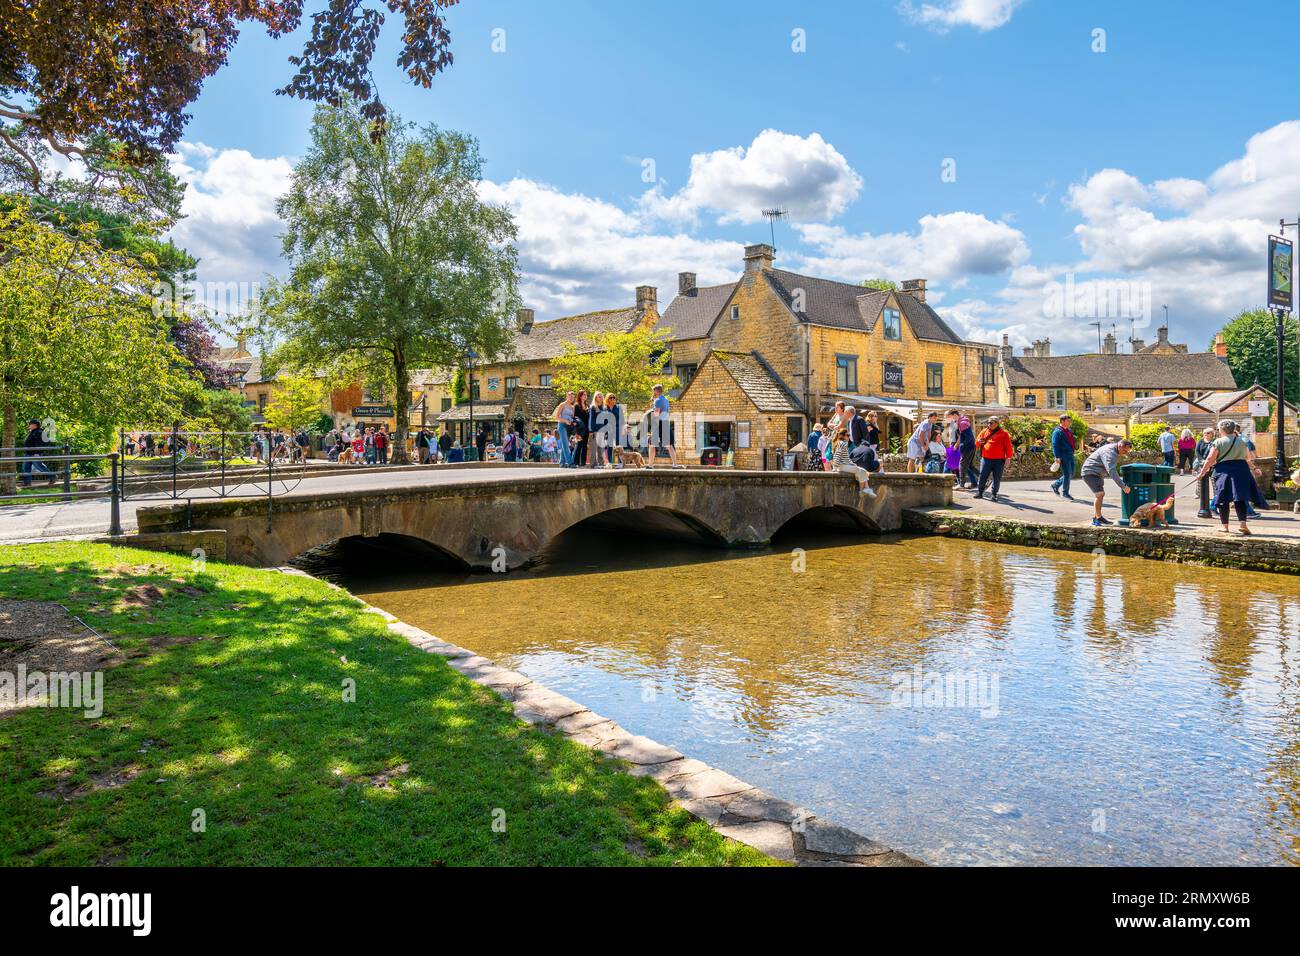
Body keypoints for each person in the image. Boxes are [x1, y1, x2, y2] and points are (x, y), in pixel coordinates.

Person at [1196, 420, 1261, 535]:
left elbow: (1210, 459)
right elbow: (1248, 457)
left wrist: (1202, 473)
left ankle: (1225, 527)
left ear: (1222, 429)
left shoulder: (1218, 442)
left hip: (1224, 471)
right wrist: (1254, 468)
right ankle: (1243, 525)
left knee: (1223, 498)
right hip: (1241, 470)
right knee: (1239, 498)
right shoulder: (1242, 441)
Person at [1080, 438, 1133, 527]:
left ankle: (1097, 517)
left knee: (1100, 495)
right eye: (1125, 451)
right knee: (1100, 494)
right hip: (1090, 473)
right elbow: (1111, 471)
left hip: (1096, 473)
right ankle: (1097, 519)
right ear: (1120, 446)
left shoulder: (1114, 450)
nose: (1125, 453)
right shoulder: (1110, 452)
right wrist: (1123, 486)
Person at [973, 416, 1013, 500]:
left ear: (997, 423)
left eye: (991, 423)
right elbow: (976, 443)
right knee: (982, 476)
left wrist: (1008, 458)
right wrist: (979, 442)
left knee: (996, 478)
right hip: (986, 458)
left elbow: (1008, 446)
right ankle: (980, 492)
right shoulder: (984, 431)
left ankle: (994, 494)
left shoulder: (1004, 433)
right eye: (988, 422)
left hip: (999, 460)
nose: (988, 424)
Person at [830, 427, 876, 497]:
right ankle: (864, 490)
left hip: (843, 465)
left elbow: (845, 458)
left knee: (863, 470)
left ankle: (865, 489)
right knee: (861, 471)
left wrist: (852, 464)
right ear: (843, 436)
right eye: (848, 435)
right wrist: (834, 467)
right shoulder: (843, 443)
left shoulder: (841, 443)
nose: (849, 437)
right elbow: (837, 455)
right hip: (842, 466)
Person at [648, 383, 681, 468]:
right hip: (666, 422)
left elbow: (656, 413)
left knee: (652, 445)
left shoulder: (657, 400)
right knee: (669, 445)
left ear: (656, 391)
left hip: (659, 423)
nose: (653, 392)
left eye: (653, 390)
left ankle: (650, 465)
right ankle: (675, 464)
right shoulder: (666, 400)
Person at [1049, 414, 1078, 500]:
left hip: (1070, 454)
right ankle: (1065, 493)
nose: (1070, 422)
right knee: (1067, 474)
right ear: (1062, 421)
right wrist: (1057, 457)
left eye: (1070, 421)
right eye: (1068, 421)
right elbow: (1055, 445)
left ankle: (1055, 485)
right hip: (1062, 455)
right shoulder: (1057, 432)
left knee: (1071, 473)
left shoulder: (1069, 430)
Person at [19, 418, 54, 486]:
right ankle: (27, 482)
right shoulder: (33, 431)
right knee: (26, 467)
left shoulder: (38, 432)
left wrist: (37, 453)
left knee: (39, 466)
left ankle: (52, 477)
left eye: (30, 424)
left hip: (34, 454)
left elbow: (40, 443)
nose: (29, 425)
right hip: (28, 453)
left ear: (35, 425)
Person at [554, 391, 577, 468]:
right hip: (562, 425)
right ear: (567, 396)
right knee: (566, 444)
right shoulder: (562, 404)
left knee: (565, 444)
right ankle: (570, 463)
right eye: (570, 396)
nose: (571, 398)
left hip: (569, 427)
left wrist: (573, 422)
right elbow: (557, 417)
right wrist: (565, 421)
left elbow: (573, 417)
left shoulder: (573, 407)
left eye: (573, 397)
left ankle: (562, 462)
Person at [957, 415, 978, 490]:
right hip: (971, 446)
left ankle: (961, 484)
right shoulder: (963, 422)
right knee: (970, 466)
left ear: (953, 415)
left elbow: (968, 437)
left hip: (967, 447)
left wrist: (962, 445)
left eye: (947, 416)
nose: (946, 418)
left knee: (962, 465)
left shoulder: (962, 423)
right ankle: (984, 478)